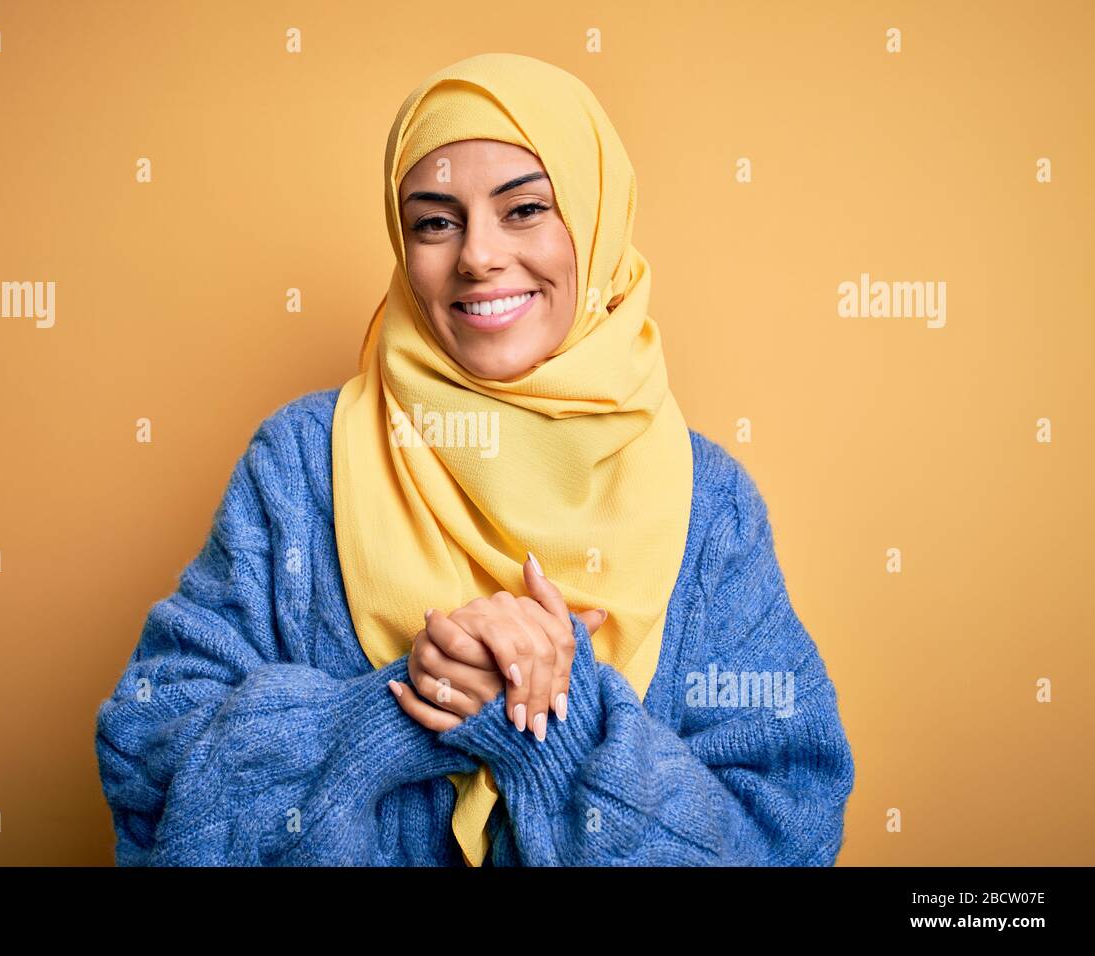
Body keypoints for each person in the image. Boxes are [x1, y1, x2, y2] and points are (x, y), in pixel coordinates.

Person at [93, 52, 855, 867]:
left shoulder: (707, 503)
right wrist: (400, 708)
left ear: (595, 221)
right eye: (435, 222)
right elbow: (149, 758)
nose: (478, 257)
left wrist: (558, 726)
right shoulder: (303, 465)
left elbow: (788, 834)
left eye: (524, 209)